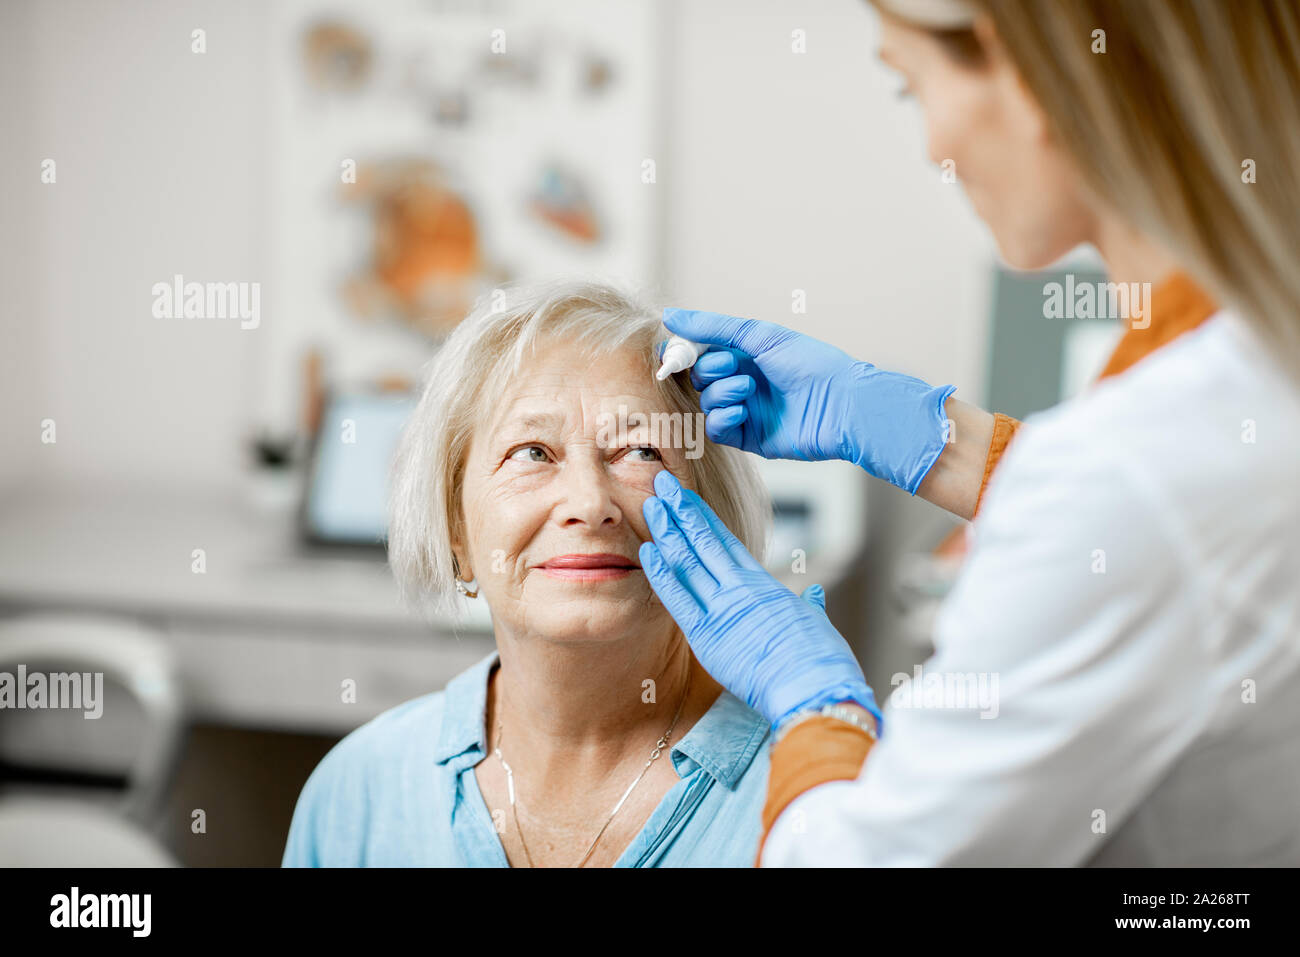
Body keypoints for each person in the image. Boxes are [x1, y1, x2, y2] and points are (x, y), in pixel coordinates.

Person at [638, 0, 1300, 865]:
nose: (933, 150)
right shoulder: (1241, 363)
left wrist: (813, 699)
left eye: (911, 88)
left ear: (1023, 77)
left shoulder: (1131, 471)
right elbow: (1176, 525)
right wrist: (929, 437)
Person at [282, 279, 776, 867]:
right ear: (455, 532)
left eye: (641, 450)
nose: (589, 503)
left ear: (710, 516)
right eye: (533, 453)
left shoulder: (809, 797)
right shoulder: (356, 797)